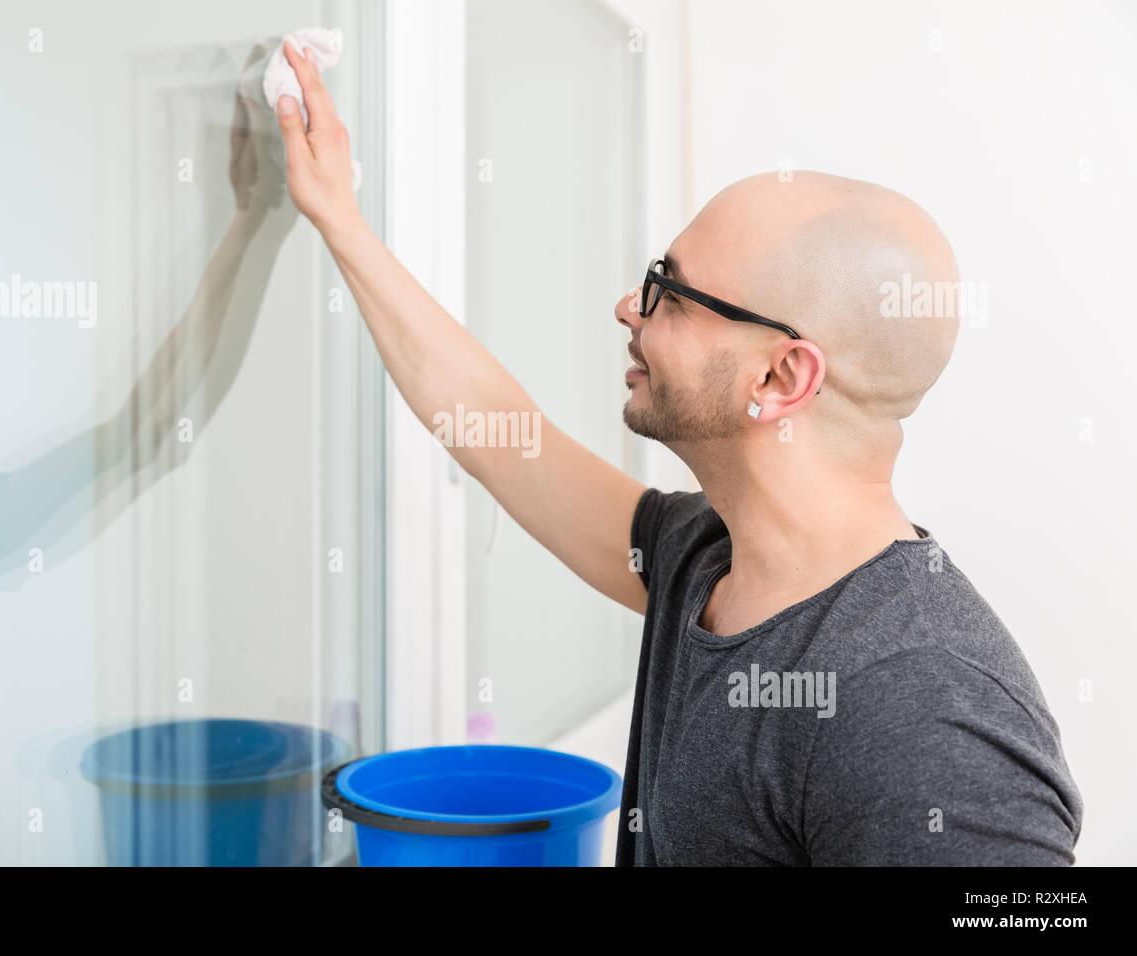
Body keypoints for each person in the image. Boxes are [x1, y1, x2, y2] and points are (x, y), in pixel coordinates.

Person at [273, 42, 1083, 865]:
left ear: (780, 374)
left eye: (670, 288)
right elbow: (497, 433)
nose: (630, 305)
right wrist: (339, 215)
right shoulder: (700, 557)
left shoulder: (920, 707)